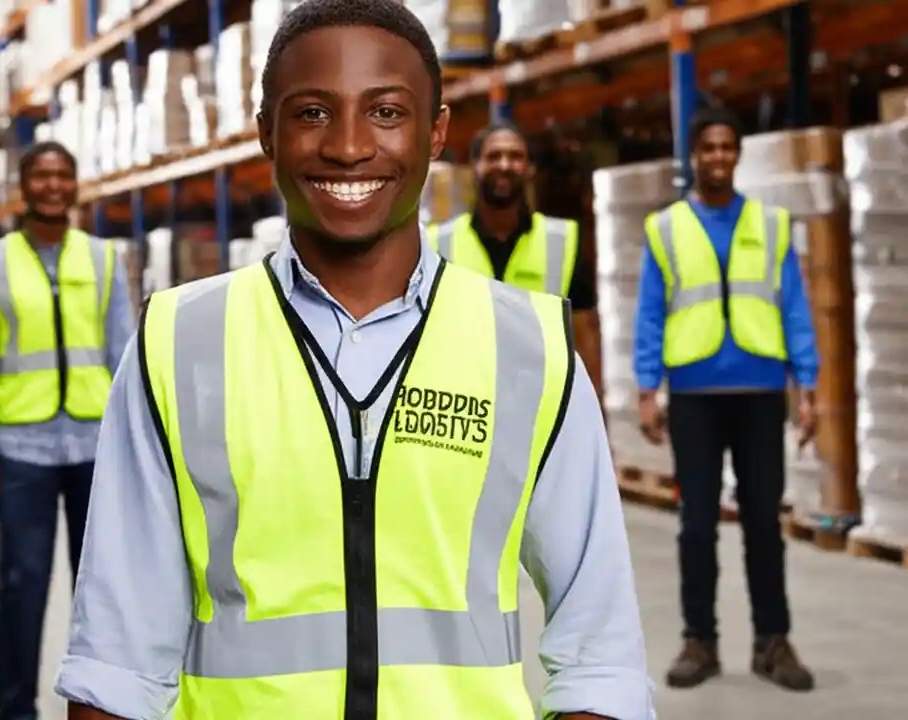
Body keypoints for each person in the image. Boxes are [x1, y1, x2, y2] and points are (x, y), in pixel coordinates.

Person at [56, 2, 653, 719]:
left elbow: (601, 652)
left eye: (386, 112)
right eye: (311, 113)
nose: (347, 146)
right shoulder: (176, 342)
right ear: (265, 136)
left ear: (435, 132)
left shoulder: (530, 348)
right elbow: (114, 665)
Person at [633, 106, 819, 692]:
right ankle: (700, 640)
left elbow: (794, 307)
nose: (717, 156)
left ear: (737, 155)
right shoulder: (665, 228)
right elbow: (650, 313)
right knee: (696, 526)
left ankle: (772, 641)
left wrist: (806, 387)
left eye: (727, 146)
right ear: (694, 157)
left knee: (765, 522)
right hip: (694, 397)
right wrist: (646, 390)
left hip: (761, 392)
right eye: (708, 147)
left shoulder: (771, 225)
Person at [0, 140, 134, 720]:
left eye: (63, 175)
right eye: (41, 176)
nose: (53, 185)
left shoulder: (104, 260)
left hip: (95, 448)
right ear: (23, 187)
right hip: (21, 448)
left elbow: (126, 358)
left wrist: (135, 446)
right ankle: (15, 709)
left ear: (74, 184)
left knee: (106, 591)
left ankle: (104, 705)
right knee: (22, 585)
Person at [425, 123, 603, 399]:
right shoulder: (438, 243)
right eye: (493, 156)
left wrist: (594, 403)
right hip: (463, 406)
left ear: (530, 168)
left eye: (516, 156)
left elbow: (584, 330)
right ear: (475, 166)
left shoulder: (561, 241)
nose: (505, 165)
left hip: (542, 402)